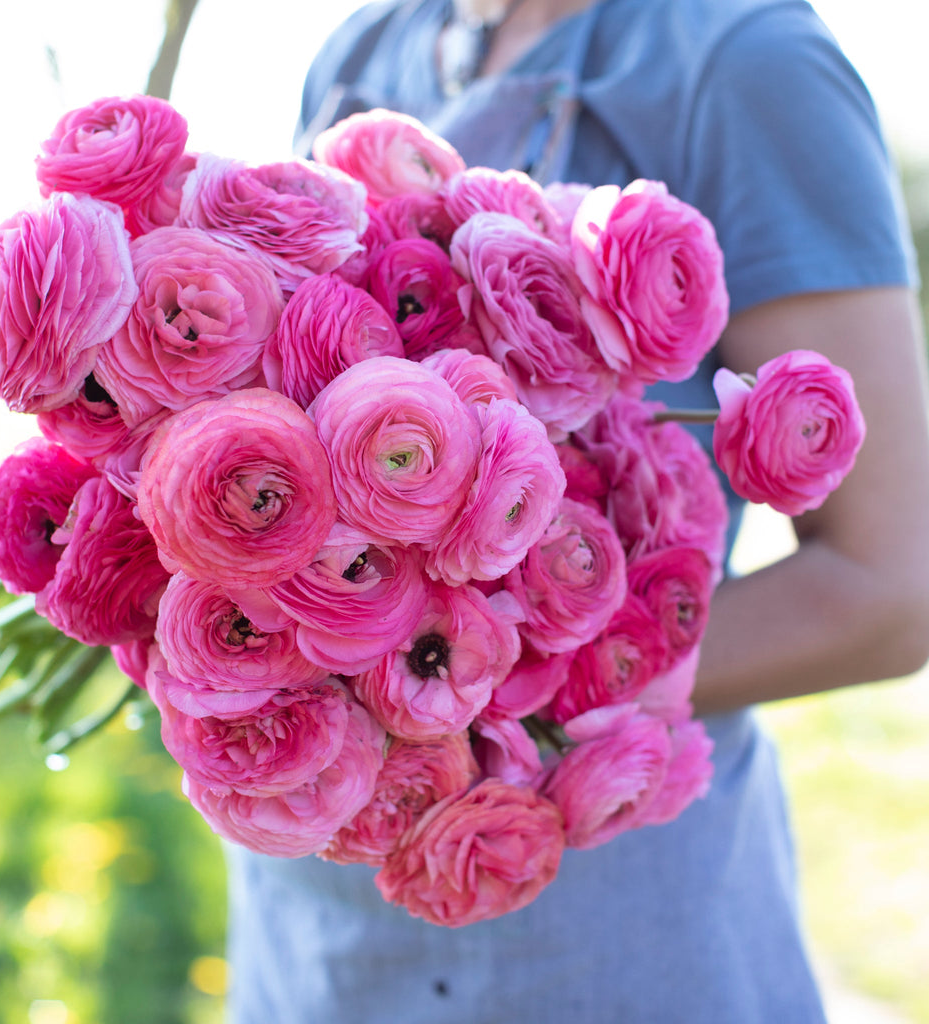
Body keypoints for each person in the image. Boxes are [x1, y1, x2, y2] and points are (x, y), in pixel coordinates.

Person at [225, 1, 929, 1020]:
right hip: (318, 940)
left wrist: (482, 692)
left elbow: (888, 589)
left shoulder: (742, 59)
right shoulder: (362, 53)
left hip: (606, 944)